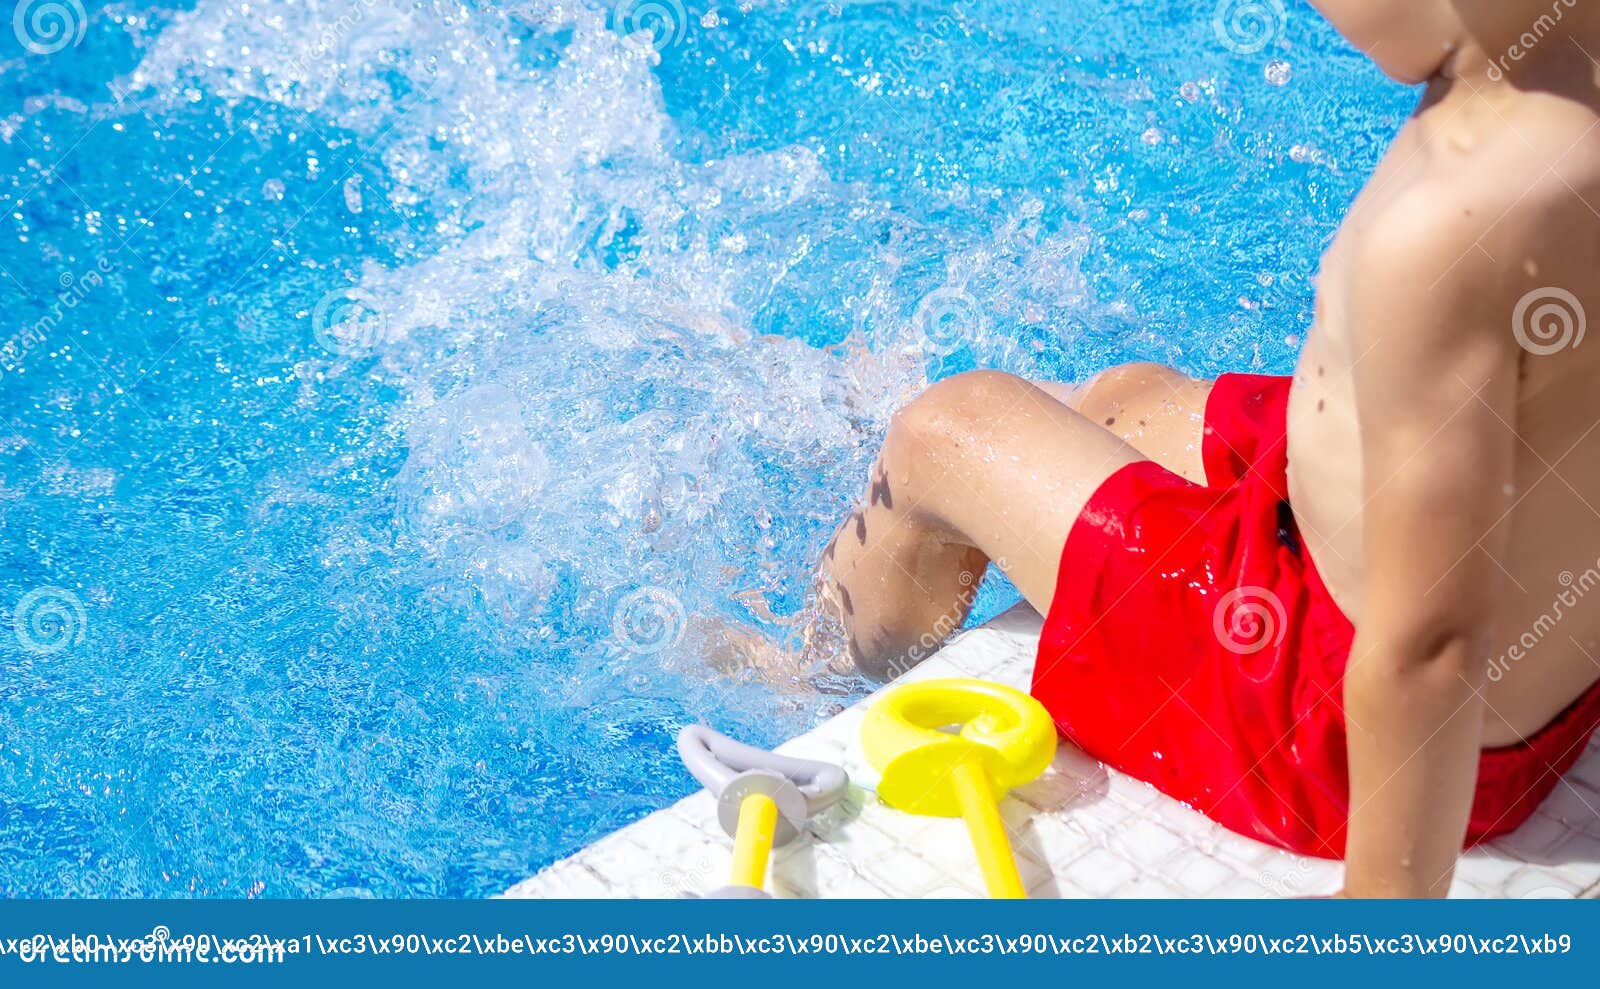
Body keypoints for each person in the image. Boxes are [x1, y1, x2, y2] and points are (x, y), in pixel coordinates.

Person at [822, 0, 1600, 897]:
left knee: (944, 433)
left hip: (1329, 723)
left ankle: (807, 672)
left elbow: (1429, 646)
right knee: (1128, 398)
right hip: (1530, 658)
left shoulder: (1444, 231)